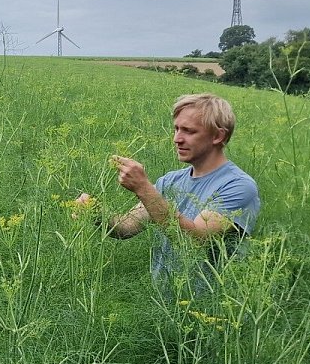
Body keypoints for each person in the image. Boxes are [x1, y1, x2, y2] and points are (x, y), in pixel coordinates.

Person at [76, 93, 260, 297]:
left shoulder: (238, 186)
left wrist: (143, 188)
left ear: (218, 136)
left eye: (189, 131)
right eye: (176, 129)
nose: (177, 139)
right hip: (166, 305)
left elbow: (194, 240)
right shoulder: (170, 181)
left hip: (213, 305)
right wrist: (94, 212)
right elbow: (125, 228)